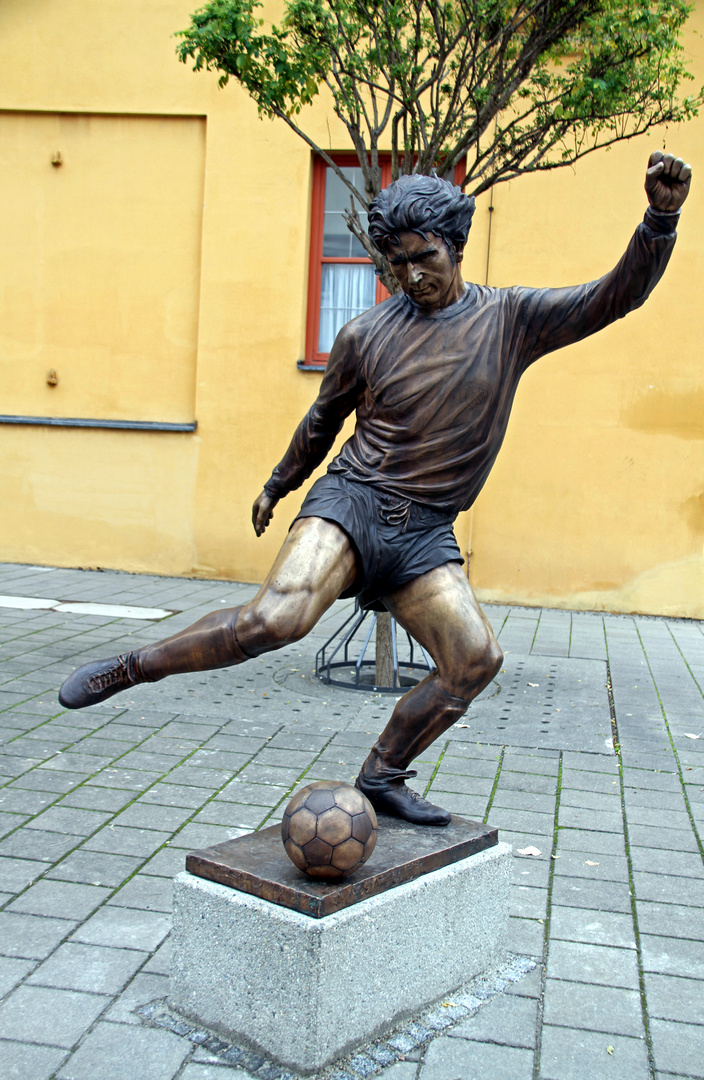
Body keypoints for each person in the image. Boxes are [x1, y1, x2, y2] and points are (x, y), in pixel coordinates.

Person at [59, 150, 691, 826]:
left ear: (455, 247)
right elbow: (323, 420)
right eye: (397, 264)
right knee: (275, 622)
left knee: (474, 660)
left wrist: (659, 220)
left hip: (424, 530)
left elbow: (613, 296)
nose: (412, 276)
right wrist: (279, 483)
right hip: (353, 502)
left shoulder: (512, 319)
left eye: (426, 258)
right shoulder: (363, 335)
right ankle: (134, 666)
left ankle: (383, 775)